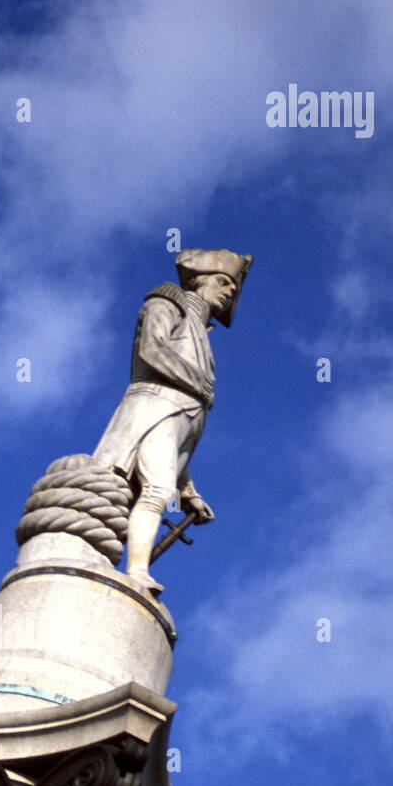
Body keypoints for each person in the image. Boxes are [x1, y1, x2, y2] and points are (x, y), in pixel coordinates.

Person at [93, 248, 252, 594]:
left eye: (234, 290)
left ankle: (130, 567)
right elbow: (151, 349)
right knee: (155, 491)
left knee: (156, 491)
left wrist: (189, 493)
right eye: (223, 282)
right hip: (152, 409)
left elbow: (174, 445)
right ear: (200, 279)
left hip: (176, 417)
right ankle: (136, 571)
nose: (228, 292)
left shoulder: (201, 333)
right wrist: (198, 383)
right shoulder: (167, 302)